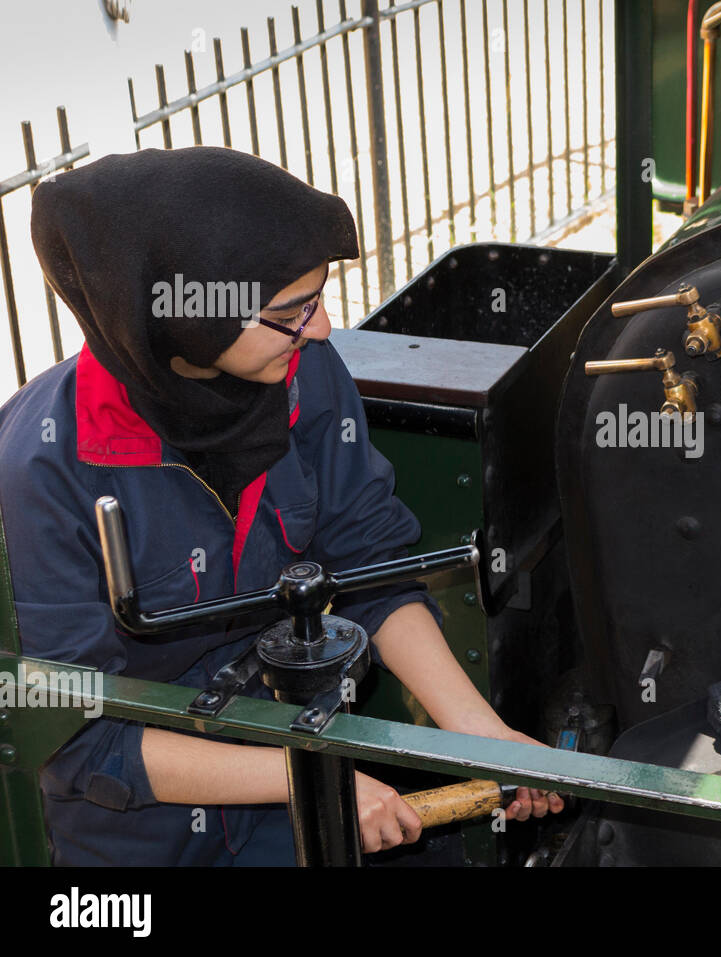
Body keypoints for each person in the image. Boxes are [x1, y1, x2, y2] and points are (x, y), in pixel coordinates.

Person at [0, 146, 561, 866]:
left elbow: (372, 566)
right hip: (147, 837)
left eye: (320, 297)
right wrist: (307, 780)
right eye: (295, 310)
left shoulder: (303, 372)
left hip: (292, 777)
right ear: (194, 319)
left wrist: (477, 730)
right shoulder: (41, 469)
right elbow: (73, 734)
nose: (324, 328)